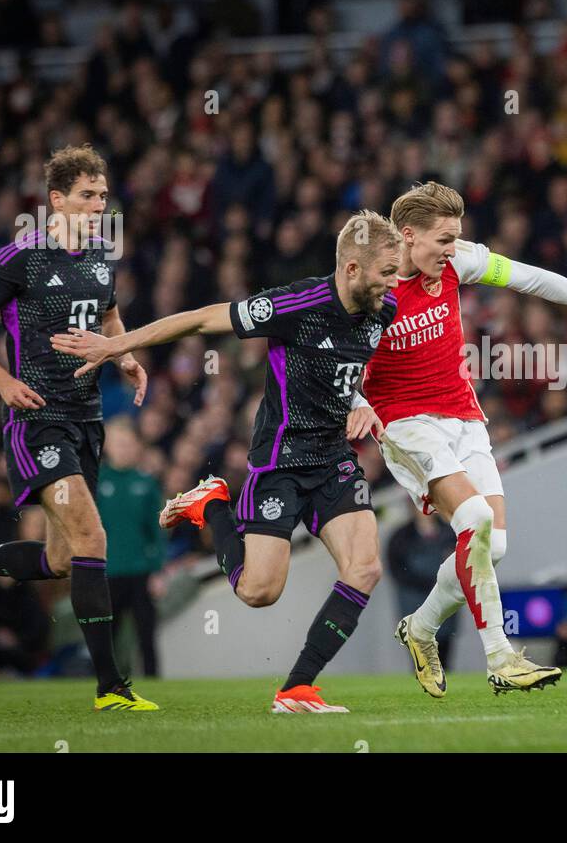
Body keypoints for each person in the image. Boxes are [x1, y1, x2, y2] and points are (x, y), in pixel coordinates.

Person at [53, 210, 401, 713]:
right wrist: (118, 344)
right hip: (279, 462)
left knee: (365, 568)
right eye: (387, 272)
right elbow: (200, 318)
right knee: (259, 592)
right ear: (351, 270)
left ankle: (296, 687)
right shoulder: (295, 303)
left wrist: (361, 402)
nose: (394, 283)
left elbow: (347, 371)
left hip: (333, 461)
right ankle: (214, 503)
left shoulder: (381, 309)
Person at [354, 181, 567, 697]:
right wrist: (357, 404)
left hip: (463, 417)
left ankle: (422, 627)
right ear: (407, 237)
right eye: (443, 240)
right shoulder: (371, 289)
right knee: (474, 519)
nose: (452, 250)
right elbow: (330, 358)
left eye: (456, 239)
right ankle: (502, 656)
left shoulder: (457, 263)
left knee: (492, 545)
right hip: (406, 422)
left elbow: (532, 280)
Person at [0, 144, 159, 711]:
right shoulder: (19, 258)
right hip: (37, 422)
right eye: (87, 195)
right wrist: (3, 384)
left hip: (88, 421)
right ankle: (111, 688)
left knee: (59, 560)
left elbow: (108, 319)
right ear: (57, 200)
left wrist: (122, 354)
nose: (99, 204)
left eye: (103, 194)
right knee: (93, 538)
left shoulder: (101, 257)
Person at [97, 418, 165, 677]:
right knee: (107, 633)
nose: (124, 449)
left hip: (140, 570)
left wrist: (158, 570)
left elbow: (156, 530)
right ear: (108, 447)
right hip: (108, 570)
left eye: (128, 443)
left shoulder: (146, 483)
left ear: (137, 447)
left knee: (146, 632)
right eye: (119, 443)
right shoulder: (98, 481)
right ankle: (107, 682)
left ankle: (153, 680)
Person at [385, 511, 458, 671]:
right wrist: (423, 582)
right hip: (413, 597)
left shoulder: (449, 533)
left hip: (443, 596)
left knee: (444, 643)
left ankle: (444, 678)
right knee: (419, 646)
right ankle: (424, 677)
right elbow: (396, 568)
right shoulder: (401, 535)